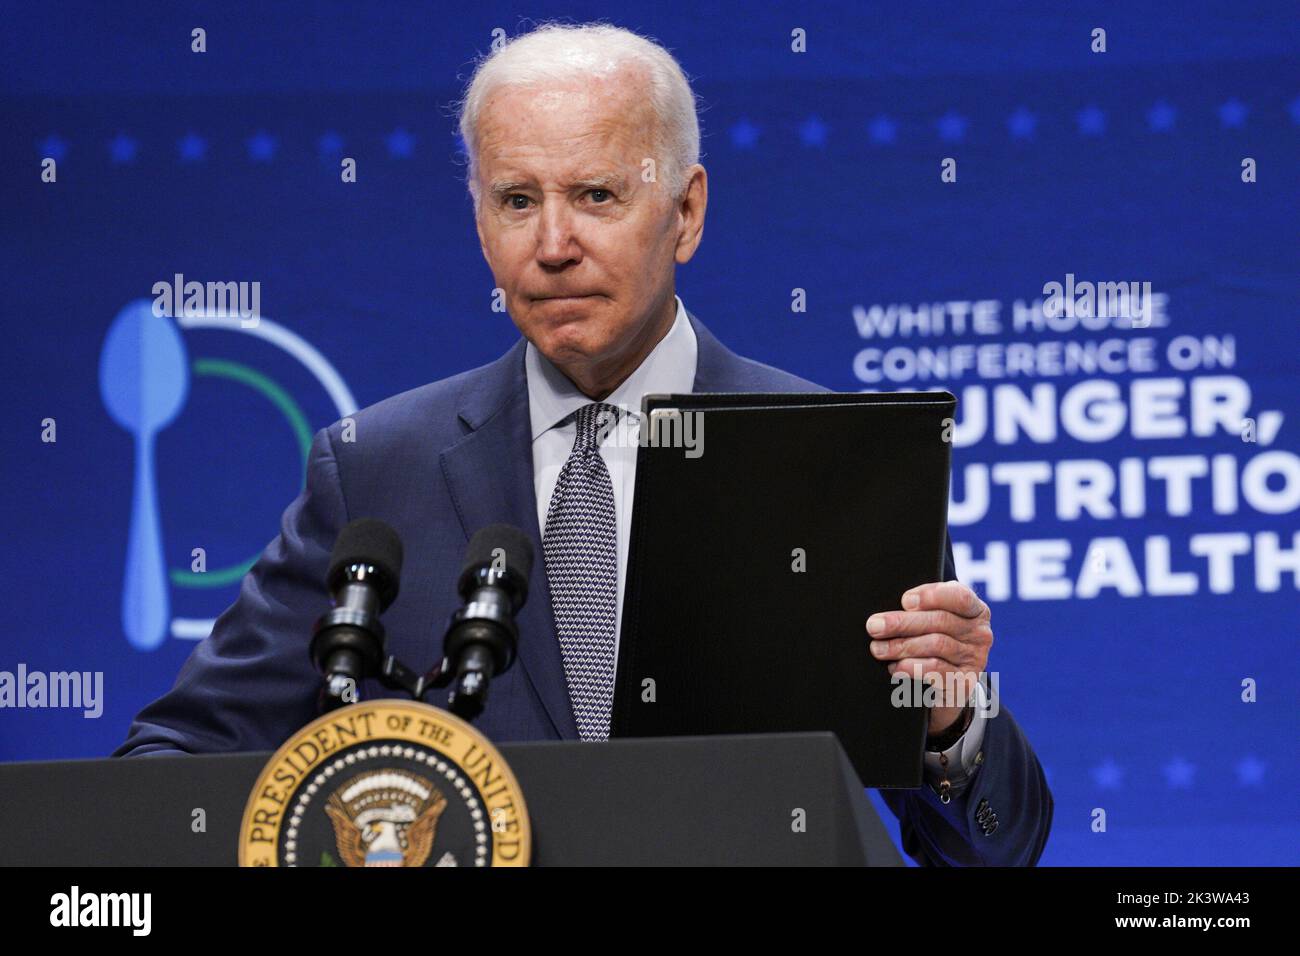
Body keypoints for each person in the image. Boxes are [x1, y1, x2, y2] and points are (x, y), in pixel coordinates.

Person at [115, 22, 1052, 866]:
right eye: (517, 200)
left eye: (596, 194)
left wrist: (947, 722)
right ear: (479, 223)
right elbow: (171, 766)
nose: (553, 243)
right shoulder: (374, 468)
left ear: (685, 212)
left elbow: (991, 855)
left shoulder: (834, 460)